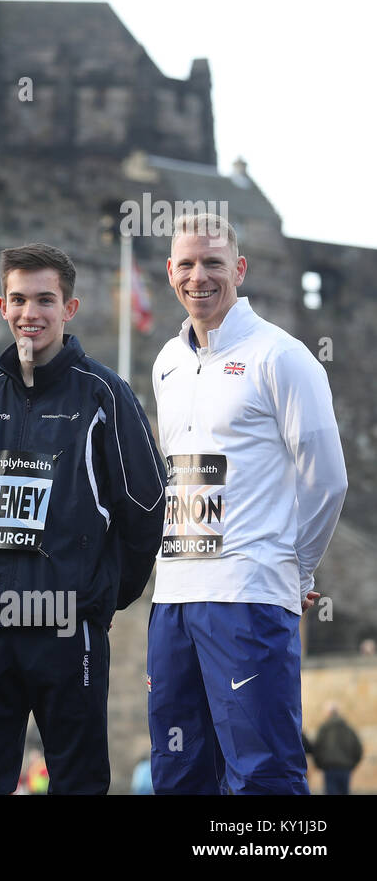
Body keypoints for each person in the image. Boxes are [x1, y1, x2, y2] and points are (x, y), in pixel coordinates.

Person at [0, 243, 165, 795]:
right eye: (19, 299)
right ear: (2, 305)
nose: (31, 313)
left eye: (45, 300)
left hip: (68, 628)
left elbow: (145, 508)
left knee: (78, 781)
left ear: (68, 309)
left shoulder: (105, 395)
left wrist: (105, 596)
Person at [148, 213, 347, 795]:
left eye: (213, 263)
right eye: (186, 264)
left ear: (239, 268)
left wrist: (295, 569)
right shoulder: (166, 362)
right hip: (174, 596)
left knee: (261, 772)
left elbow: (327, 480)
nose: (198, 276)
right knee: (178, 773)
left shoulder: (281, 357)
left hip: (246, 595)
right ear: (169, 273)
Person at [308, 703, 363, 795]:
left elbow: (317, 748)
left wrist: (319, 764)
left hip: (329, 768)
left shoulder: (324, 728)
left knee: (331, 792)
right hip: (345, 768)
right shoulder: (348, 729)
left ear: (328, 713)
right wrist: (352, 765)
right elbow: (358, 749)